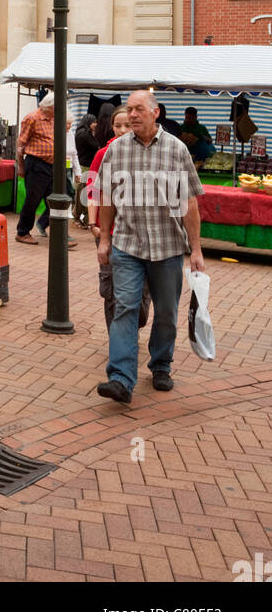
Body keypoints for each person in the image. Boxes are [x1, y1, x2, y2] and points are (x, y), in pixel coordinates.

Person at [96, 90, 205, 403]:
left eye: (138, 109)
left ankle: (160, 364)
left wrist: (195, 250)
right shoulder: (115, 150)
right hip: (127, 245)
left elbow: (189, 203)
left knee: (167, 313)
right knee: (125, 307)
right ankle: (120, 378)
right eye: (129, 109)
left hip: (168, 247)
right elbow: (105, 197)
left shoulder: (177, 149)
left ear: (155, 113)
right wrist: (105, 239)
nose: (132, 115)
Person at [86, 107, 151, 330]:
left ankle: (135, 322)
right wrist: (93, 225)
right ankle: (117, 337)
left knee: (141, 288)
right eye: (118, 125)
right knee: (111, 288)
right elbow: (92, 189)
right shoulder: (103, 154)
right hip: (109, 232)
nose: (122, 130)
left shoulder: (147, 153)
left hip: (140, 234)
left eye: (127, 125)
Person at [15, 93, 56, 245]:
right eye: (55, 108)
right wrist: (21, 165)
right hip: (36, 164)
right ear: (48, 107)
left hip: (51, 165)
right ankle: (22, 232)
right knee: (33, 200)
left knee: (55, 198)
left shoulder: (53, 119)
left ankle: (53, 230)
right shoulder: (32, 118)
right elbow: (21, 143)